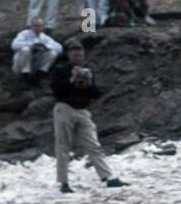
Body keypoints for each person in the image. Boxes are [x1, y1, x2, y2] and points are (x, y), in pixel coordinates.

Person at [49, 43, 125, 192]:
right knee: (63, 146)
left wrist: (89, 83)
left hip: (82, 110)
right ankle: (63, 182)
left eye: (81, 55)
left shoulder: (87, 70)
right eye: (75, 55)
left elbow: (96, 94)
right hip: (65, 109)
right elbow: (56, 91)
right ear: (69, 55)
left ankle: (108, 177)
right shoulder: (60, 70)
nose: (79, 58)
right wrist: (71, 79)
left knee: (93, 145)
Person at [10, 17, 62, 87]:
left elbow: (59, 48)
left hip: (34, 65)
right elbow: (14, 45)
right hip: (20, 66)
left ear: (43, 27)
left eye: (40, 26)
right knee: (26, 49)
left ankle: (39, 75)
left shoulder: (44, 37)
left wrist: (46, 47)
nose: (37, 28)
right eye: (35, 26)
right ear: (31, 26)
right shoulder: (24, 34)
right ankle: (24, 77)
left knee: (52, 53)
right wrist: (31, 45)